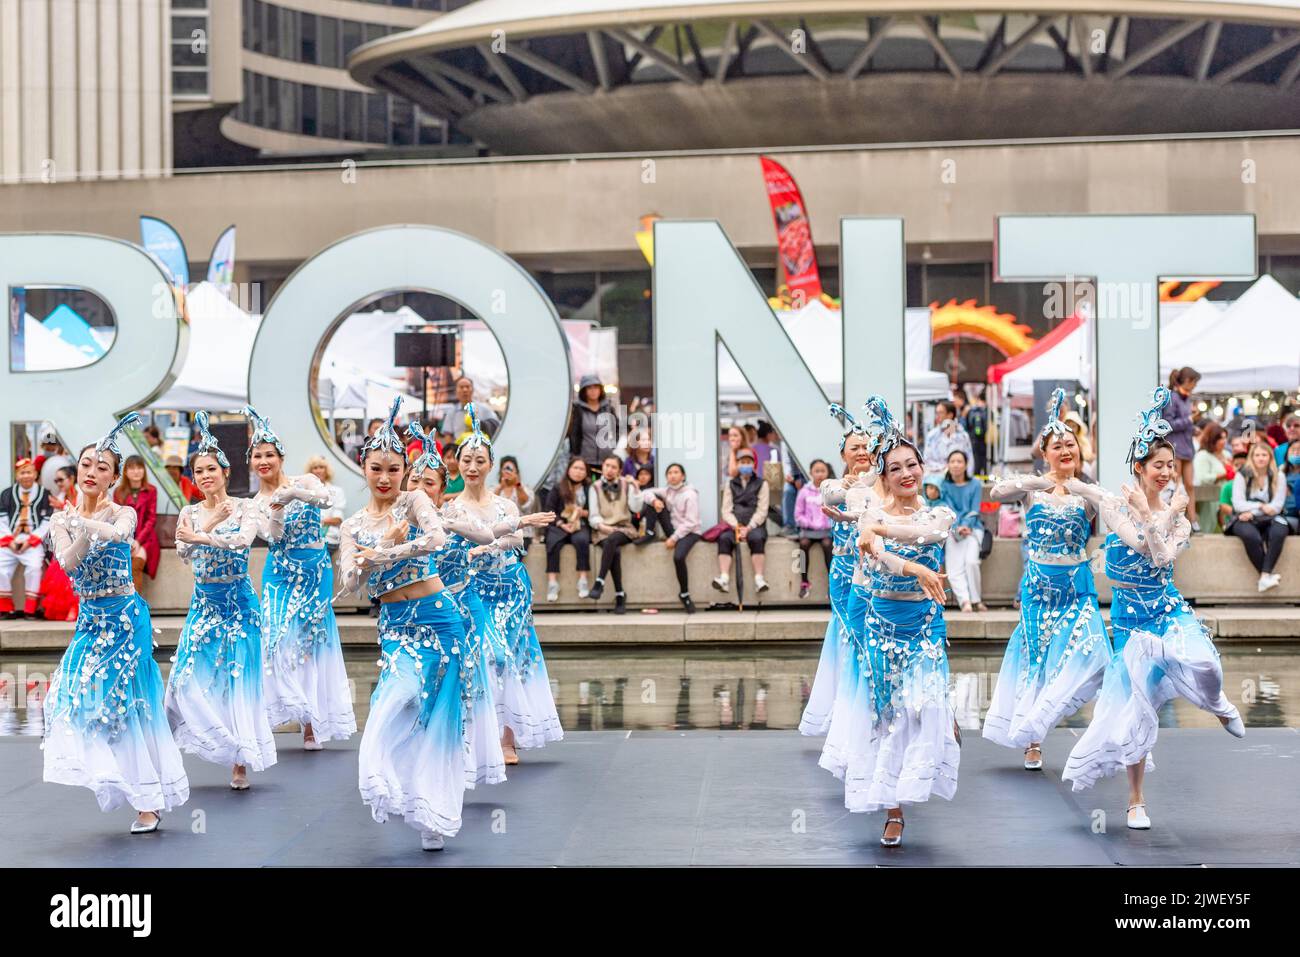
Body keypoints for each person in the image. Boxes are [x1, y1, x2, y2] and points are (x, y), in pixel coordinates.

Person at [1062, 388, 1244, 827]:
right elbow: (1140, 544)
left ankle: (1219, 704)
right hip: (1129, 623)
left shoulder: (1180, 515)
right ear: (1139, 468)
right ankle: (1136, 800)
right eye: (1157, 465)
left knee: (1207, 665)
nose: (1166, 472)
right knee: (1135, 710)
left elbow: (1162, 558)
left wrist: (1157, 514)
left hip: (1167, 611)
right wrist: (1147, 513)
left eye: (1170, 465)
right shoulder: (1114, 505)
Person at [42, 413, 189, 833]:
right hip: (90, 622)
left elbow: (122, 535)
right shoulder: (60, 520)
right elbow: (69, 566)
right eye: (87, 463)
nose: (92, 471)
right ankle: (107, 773)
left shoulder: (122, 510)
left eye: (102, 467)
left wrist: (83, 523)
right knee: (64, 699)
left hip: (126, 620)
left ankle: (147, 802)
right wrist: (79, 528)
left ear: (113, 478)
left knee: (126, 709)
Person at [341, 401, 470, 851]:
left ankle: (431, 813)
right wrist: (367, 553)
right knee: (393, 704)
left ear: (403, 471)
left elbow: (436, 538)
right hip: (396, 628)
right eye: (376, 468)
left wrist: (393, 548)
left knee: (437, 718)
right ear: (363, 467)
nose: (384, 477)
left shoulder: (414, 501)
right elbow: (350, 582)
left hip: (440, 618)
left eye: (393, 469)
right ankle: (381, 778)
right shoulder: (353, 524)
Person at [843, 397, 958, 846]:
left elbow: (926, 534)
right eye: (896, 468)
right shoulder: (870, 513)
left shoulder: (939, 513)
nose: (907, 473)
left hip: (926, 626)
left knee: (926, 706)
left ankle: (928, 755)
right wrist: (913, 568)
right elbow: (876, 553)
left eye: (912, 464)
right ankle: (893, 809)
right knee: (888, 718)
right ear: (884, 475)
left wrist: (884, 532)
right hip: (883, 626)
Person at [983, 388, 1112, 769]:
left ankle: (1104, 731)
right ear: (1045, 451)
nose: (1065, 450)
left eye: (1071, 444)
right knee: (1036, 662)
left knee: (1096, 653)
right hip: (1039, 589)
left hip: (1077, 588)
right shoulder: (1032, 490)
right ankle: (1032, 738)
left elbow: (1113, 506)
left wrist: (1081, 487)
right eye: (1057, 445)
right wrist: (1034, 482)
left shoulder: (1086, 492)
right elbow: (996, 491)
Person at [438, 408, 560, 765]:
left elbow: (517, 539)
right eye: (466, 460)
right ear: (457, 465)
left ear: (490, 464)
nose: (472, 467)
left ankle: (508, 738)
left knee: (514, 659)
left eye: (479, 460)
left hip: (510, 587)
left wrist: (487, 545)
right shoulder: (452, 508)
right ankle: (482, 734)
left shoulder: (505, 503)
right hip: (474, 592)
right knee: (487, 658)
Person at [167, 412, 277, 790]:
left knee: (236, 682)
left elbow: (244, 542)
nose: (205, 476)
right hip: (204, 602)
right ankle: (192, 741)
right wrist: (208, 529)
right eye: (199, 472)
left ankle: (239, 759)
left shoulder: (246, 507)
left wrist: (202, 537)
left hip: (239, 603)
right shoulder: (190, 512)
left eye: (211, 469)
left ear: (225, 472)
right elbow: (183, 550)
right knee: (184, 679)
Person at [245, 406, 356, 750]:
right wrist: (276, 510)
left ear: (280, 457)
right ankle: (279, 709)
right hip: (279, 573)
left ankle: (311, 721)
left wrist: (293, 494)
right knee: (275, 637)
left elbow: (325, 500)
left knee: (309, 643)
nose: (264, 461)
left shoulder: (305, 481)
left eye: (269, 455)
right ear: (251, 462)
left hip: (314, 571)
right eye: (257, 456)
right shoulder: (255, 502)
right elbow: (271, 536)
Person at [800, 401, 881, 744]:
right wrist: (858, 484)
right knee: (849, 636)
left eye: (866, 447)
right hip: (845, 570)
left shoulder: (882, 483)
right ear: (844, 454)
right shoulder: (833, 484)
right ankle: (844, 710)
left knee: (872, 634)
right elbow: (831, 498)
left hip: (876, 571)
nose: (862, 452)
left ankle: (868, 707)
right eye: (855, 448)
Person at [1224, 439, 1289, 592]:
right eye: (1257, 455)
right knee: (1252, 537)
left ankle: (1264, 576)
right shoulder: (1242, 475)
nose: (1260, 458)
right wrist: (1259, 506)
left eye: (1264, 455)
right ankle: (1265, 576)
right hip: (1243, 518)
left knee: (1280, 531)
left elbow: (1277, 506)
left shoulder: (1279, 476)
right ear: (1251, 457)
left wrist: (1252, 510)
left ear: (1270, 457)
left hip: (1270, 518)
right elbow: (1238, 504)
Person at [642, 463, 704, 612]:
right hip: (674, 530)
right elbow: (645, 492)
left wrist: (674, 538)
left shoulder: (690, 494)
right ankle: (649, 533)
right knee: (654, 500)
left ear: (683, 476)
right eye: (669, 473)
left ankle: (684, 594)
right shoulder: (667, 491)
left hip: (690, 532)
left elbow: (691, 522)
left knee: (678, 557)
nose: (672, 475)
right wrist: (655, 501)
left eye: (676, 472)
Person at [586, 454, 643, 612]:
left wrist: (636, 487)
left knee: (612, 541)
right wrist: (602, 526)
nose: (609, 470)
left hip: (624, 527)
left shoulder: (626, 484)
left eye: (613, 467)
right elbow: (593, 515)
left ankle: (599, 581)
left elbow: (636, 508)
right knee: (614, 550)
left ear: (619, 470)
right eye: (607, 466)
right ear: (602, 466)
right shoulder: (595, 487)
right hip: (603, 529)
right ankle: (619, 594)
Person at [712, 446, 770, 595]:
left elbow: (762, 510)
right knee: (724, 538)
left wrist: (749, 527)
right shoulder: (730, 483)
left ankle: (759, 579)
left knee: (757, 538)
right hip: (734, 525)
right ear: (737, 464)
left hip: (754, 525)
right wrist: (736, 526)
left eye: (748, 462)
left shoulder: (762, 483)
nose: (745, 465)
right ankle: (724, 578)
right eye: (742, 462)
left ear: (753, 464)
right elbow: (726, 509)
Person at [0, 458, 53, 619]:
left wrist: (31, 540)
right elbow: (1, 519)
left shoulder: (45, 494)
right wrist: (10, 540)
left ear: (35, 474)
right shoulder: (7, 494)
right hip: (11, 538)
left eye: (29, 472)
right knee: (1, 567)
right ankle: (5, 608)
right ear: (17, 475)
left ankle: (30, 609)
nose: (26, 476)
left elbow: (47, 521)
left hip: (32, 539)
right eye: (22, 473)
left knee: (35, 567)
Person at [939, 449, 986, 612]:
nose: (956, 465)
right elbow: (947, 507)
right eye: (952, 461)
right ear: (948, 465)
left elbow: (975, 509)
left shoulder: (975, 484)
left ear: (966, 465)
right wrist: (958, 525)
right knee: (954, 567)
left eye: (960, 461)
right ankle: (964, 601)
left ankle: (976, 600)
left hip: (973, 528)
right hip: (953, 529)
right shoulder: (944, 486)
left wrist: (967, 525)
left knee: (971, 562)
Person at [543, 456, 592, 602]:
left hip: (580, 524)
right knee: (552, 542)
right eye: (575, 468)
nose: (578, 472)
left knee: (582, 540)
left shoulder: (589, 488)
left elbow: (594, 510)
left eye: (582, 469)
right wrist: (561, 524)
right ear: (569, 469)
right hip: (560, 525)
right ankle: (552, 583)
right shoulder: (558, 487)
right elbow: (549, 510)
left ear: (586, 472)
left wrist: (582, 513)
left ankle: (582, 580)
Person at [113, 454, 160, 594]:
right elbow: (117, 519)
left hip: (146, 539)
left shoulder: (151, 490)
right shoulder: (119, 492)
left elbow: (151, 519)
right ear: (125, 472)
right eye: (132, 468)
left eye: (139, 468)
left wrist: (138, 541)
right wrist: (128, 540)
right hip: (125, 538)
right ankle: (125, 604)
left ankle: (136, 606)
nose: (136, 471)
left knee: (136, 566)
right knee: (123, 570)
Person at [38, 465, 80, 621]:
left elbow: (83, 515)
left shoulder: (81, 493)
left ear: (72, 478)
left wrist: (61, 506)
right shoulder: (61, 496)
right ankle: (66, 609)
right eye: (56, 481)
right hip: (64, 540)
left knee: (73, 572)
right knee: (59, 570)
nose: (59, 484)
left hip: (80, 540)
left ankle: (75, 608)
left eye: (61, 480)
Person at [793, 458, 834, 599]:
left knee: (828, 545)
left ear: (827, 472)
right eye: (817, 471)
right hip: (808, 531)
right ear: (811, 473)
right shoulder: (804, 491)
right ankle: (804, 582)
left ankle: (831, 583)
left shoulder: (831, 491)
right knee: (803, 545)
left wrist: (825, 524)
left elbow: (835, 513)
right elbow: (798, 515)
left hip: (825, 531)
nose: (820, 474)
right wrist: (809, 523)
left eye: (823, 471)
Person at [1165, 366, 1200, 528]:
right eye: (1194, 382)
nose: (1195, 386)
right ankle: (1175, 522)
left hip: (1188, 449)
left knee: (1189, 485)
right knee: (1176, 486)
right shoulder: (1172, 398)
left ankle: (1193, 520)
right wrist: (1190, 421)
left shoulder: (1187, 399)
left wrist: (1193, 428)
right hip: (1175, 449)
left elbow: (1184, 423)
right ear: (1187, 381)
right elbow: (1168, 424)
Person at [567, 373, 618, 474]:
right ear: (584, 391)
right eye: (589, 388)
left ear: (600, 389)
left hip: (606, 461)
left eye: (596, 387)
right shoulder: (577, 410)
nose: (593, 391)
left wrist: (611, 446)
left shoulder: (608, 408)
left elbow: (617, 429)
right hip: (584, 461)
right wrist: (576, 455)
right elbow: (574, 434)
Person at [438, 375, 501, 445]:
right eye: (461, 387)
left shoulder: (484, 409)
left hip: (480, 450)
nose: (465, 390)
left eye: (467, 387)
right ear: (456, 391)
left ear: (473, 390)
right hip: (459, 451)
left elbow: (497, 426)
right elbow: (448, 435)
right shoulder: (451, 412)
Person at [494, 454, 537, 551]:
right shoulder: (495, 488)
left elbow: (525, 506)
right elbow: (490, 506)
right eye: (506, 468)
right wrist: (501, 486)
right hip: (499, 533)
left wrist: (517, 484)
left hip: (522, 533)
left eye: (510, 469)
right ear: (500, 471)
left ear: (516, 471)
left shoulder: (525, 489)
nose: (508, 472)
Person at [1193, 422, 1230, 533]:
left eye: (1225, 438)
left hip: (1226, 497)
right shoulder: (1202, 455)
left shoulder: (1227, 454)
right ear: (1212, 440)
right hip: (1209, 499)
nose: (1224, 441)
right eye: (1220, 438)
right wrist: (1222, 475)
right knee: (1209, 526)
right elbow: (1202, 478)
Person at [922, 400, 974, 475]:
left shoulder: (963, 436)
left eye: (940, 412)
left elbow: (970, 461)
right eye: (936, 413)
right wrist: (945, 469)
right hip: (937, 479)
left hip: (958, 479)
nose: (937, 415)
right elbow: (927, 460)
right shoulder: (932, 435)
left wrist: (967, 480)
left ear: (950, 415)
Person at [306, 455, 346, 548]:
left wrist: (318, 521)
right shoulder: (305, 492)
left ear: (326, 470)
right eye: (315, 468)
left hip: (330, 538)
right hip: (308, 539)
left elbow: (338, 519)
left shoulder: (337, 491)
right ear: (311, 471)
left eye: (321, 467)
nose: (318, 470)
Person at [35, 425, 73, 496]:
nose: (49, 452)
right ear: (42, 447)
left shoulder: (62, 460)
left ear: (57, 447)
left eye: (52, 450)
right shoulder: (39, 460)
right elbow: (36, 477)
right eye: (47, 449)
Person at [964, 391, 990, 477]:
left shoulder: (971, 411)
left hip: (974, 440)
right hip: (986, 440)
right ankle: (986, 477)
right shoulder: (987, 411)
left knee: (976, 459)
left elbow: (967, 425)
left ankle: (977, 477)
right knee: (985, 459)